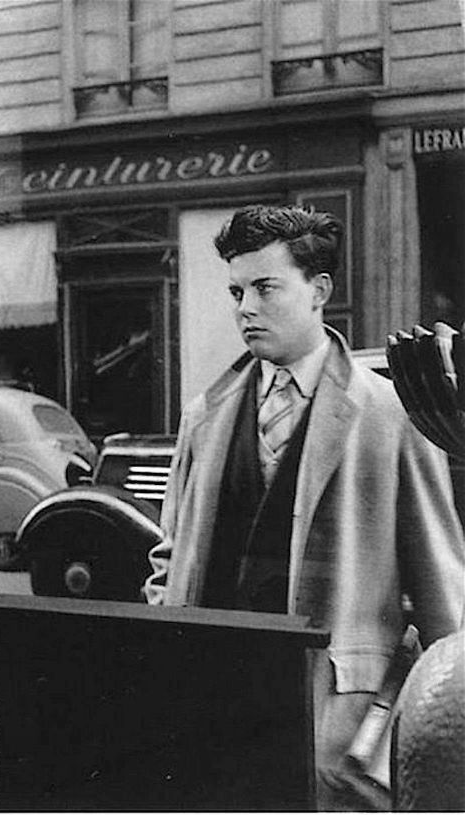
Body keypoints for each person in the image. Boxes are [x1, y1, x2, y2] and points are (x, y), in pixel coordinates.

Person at [143, 204, 465, 810]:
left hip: (333, 723)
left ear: (319, 291)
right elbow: (169, 557)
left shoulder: (391, 415)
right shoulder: (204, 415)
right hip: (213, 709)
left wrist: (428, 725)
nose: (245, 308)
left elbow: (443, 599)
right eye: (237, 291)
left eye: (265, 288)